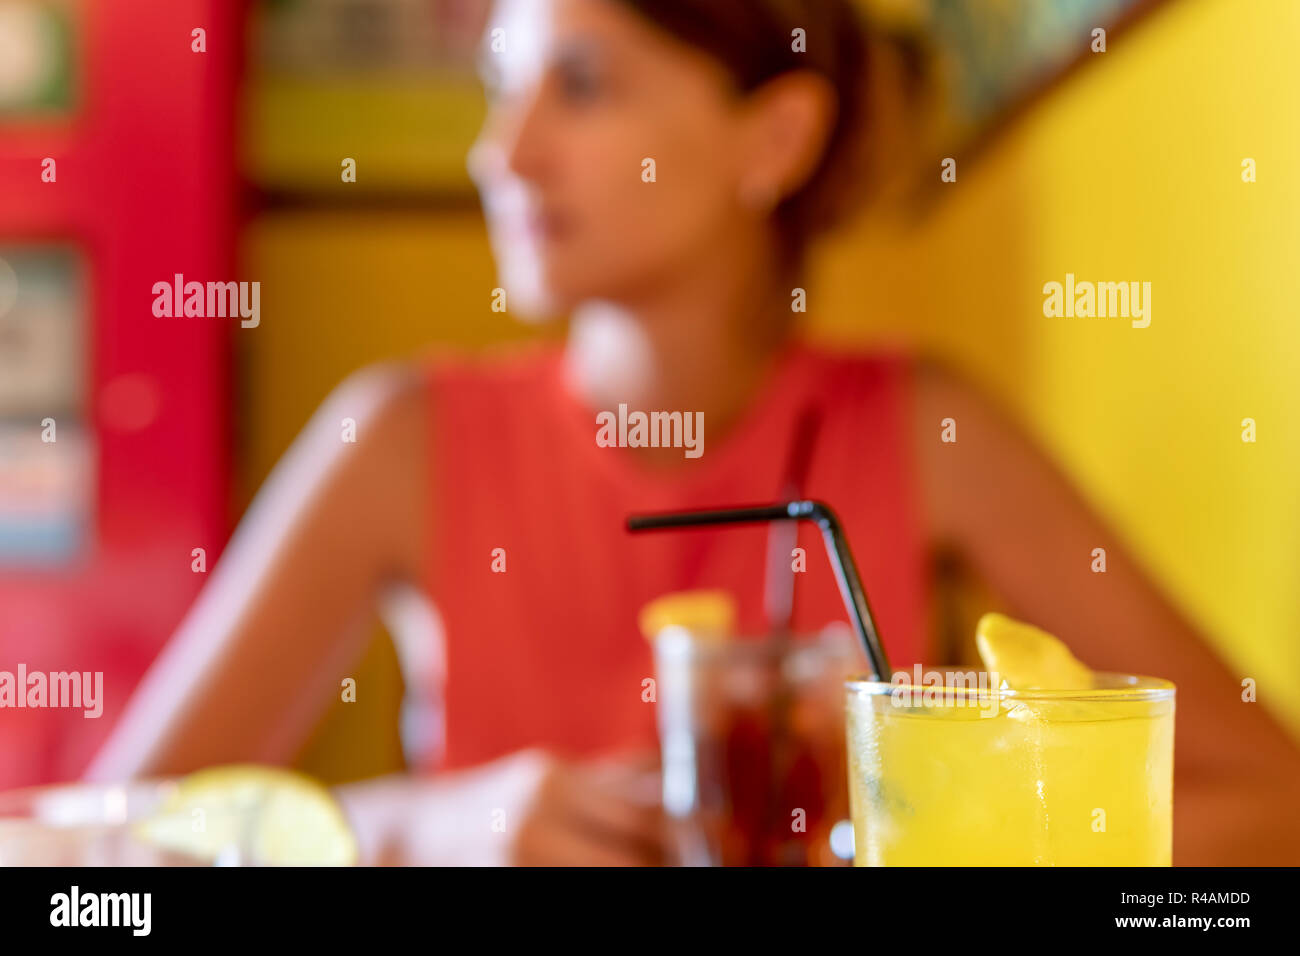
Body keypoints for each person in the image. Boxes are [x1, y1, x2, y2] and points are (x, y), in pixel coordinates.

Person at [88, 0, 1300, 865]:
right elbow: (79, 858)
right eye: (500, 86)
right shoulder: (399, 437)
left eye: (579, 83)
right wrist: (416, 829)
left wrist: (949, 834)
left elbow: (1270, 800)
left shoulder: (928, 428)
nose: (500, 152)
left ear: (772, 138)